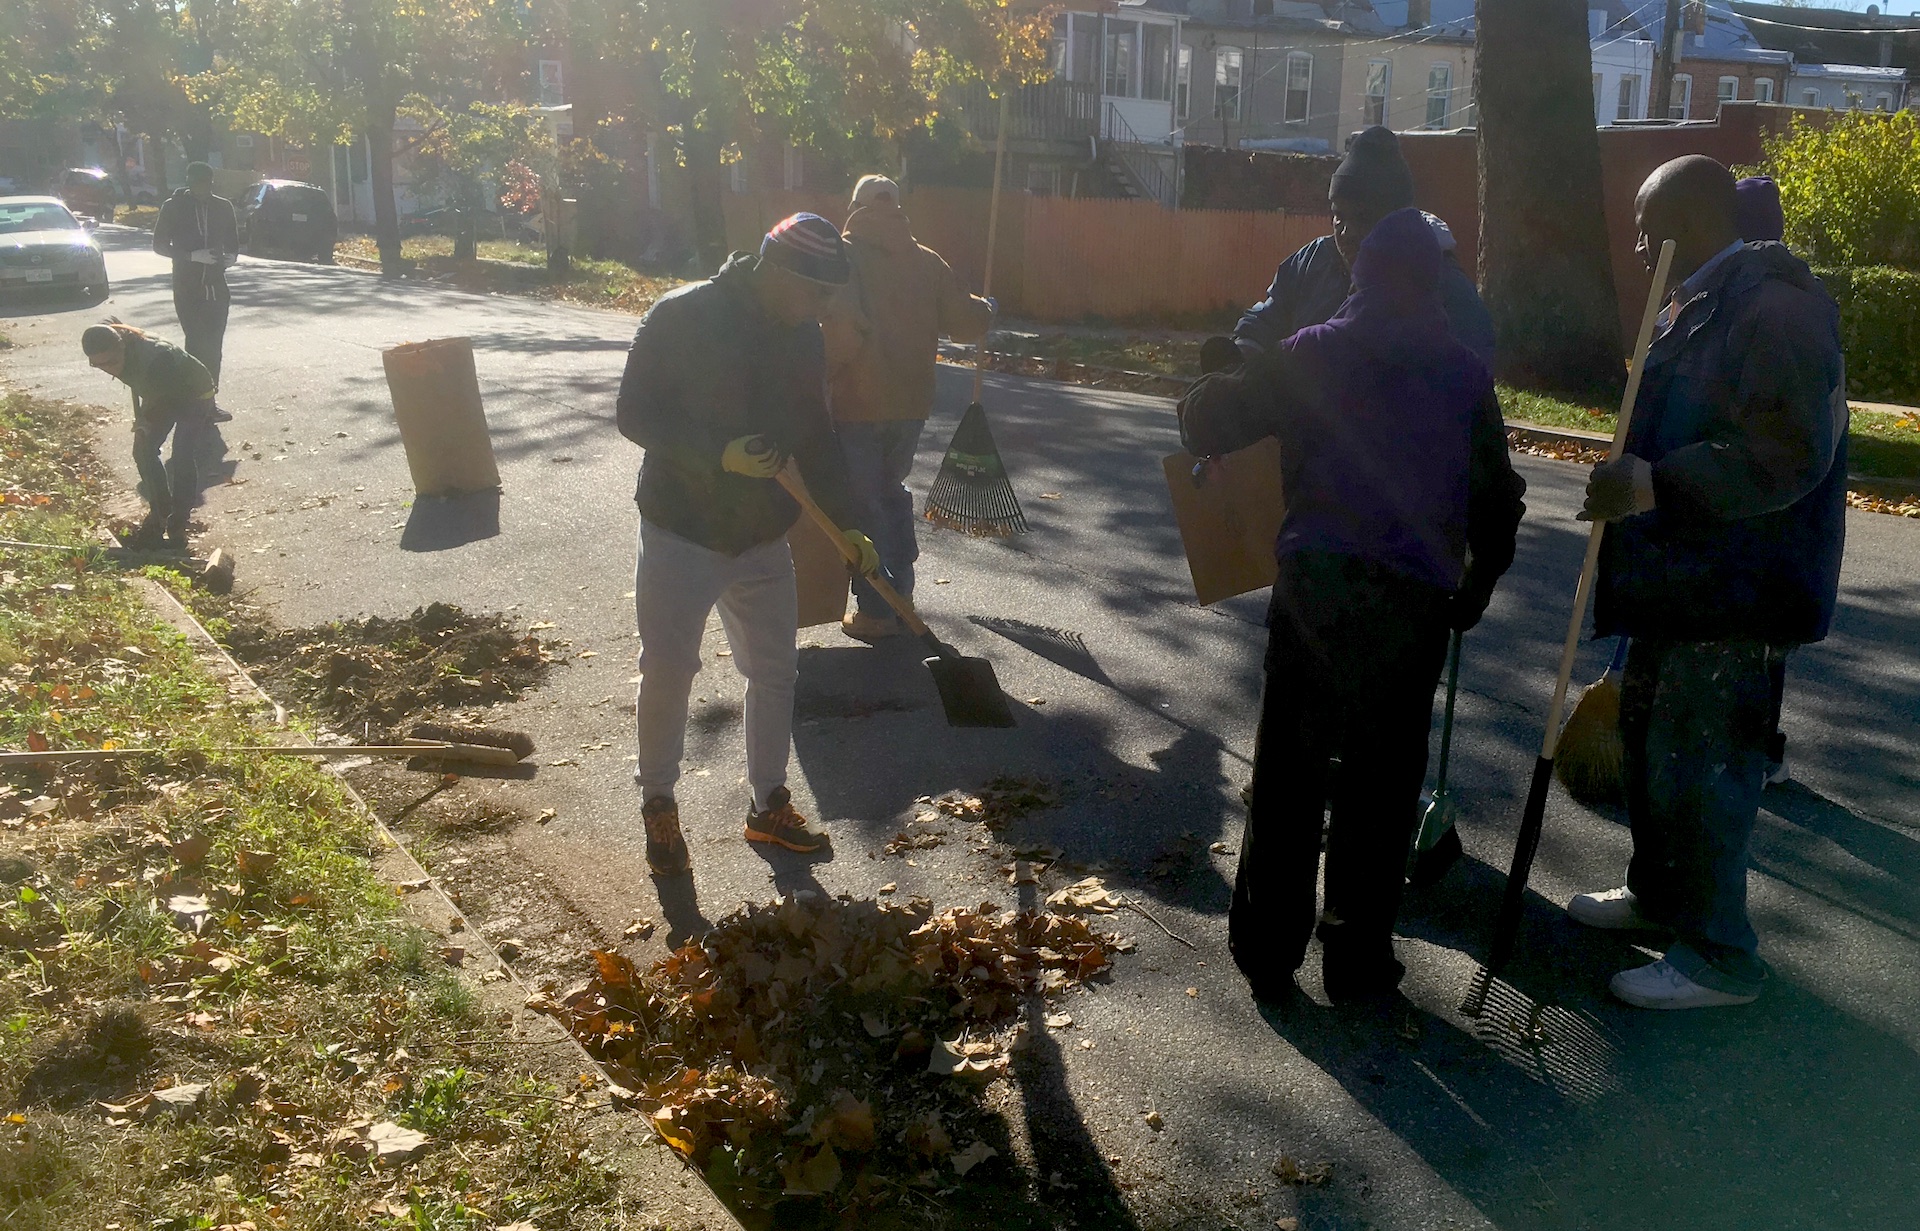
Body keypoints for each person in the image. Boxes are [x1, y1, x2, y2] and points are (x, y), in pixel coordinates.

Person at [1179, 208, 1527, 1004]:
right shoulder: (1464, 372)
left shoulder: (1312, 354)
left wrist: (1206, 385)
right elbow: (1498, 502)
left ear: (1361, 275)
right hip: (1411, 601)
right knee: (1381, 783)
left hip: (1316, 590)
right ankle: (1357, 959)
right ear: (1433, 281)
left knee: (1291, 773)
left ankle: (1269, 949)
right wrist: (1473, 588)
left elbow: (1211, 416)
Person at [1572, 156, 1846, 1010]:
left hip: (1737, 591)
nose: (1640, 242)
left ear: (1686, 225)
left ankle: (1719, 952)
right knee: (1659, 750)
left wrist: (1657, 483)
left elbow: (1789, 453)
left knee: (1707, 765)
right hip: (1680, 580)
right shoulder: (1702, 306)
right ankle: (1660, 894)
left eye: (1648, 225)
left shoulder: (1776, 309)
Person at [615, 213, 881, 875]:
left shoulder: (801, 338)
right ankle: (658, 802)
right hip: (682, 528)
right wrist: (717, 455)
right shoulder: (681, 316)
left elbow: (815, 433)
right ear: (778, 273)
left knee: (775, 671)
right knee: (670, 668)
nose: (823, 310)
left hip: (763, 533)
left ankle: (768, 805)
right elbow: (634, 413)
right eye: (817, 294)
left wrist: (850, 521)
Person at [822, 175, 994, 642]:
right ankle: (904, 596)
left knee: (865, 503)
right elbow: (965, 321)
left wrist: (818, 377)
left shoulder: (844, 255)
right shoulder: (926, 260)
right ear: (897, 208)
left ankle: (879, 609)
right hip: (911, 403)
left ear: (855, 205)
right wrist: (987, 308)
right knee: (891, 492)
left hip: (856, 401)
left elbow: (841, 326)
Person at [1231, 126, 1496, 368]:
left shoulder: (1445, 286)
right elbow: (1264, 320)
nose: (1346, 232)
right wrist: (1242, 354)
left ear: (1400, 220)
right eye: (1338, 216)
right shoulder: (1310, 262)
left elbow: (1469, 381)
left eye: (1364, 218)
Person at [81, 322, 215, 550]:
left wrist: (147, 421)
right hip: (160, 393)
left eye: (111, 362)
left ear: (122, 348)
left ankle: (179, 521)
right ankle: (160, 509)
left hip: (194, 394)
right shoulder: (114, 341)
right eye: (98, 364)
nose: (108, 369)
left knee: (182, 452)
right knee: (142, 450)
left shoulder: (157, 359)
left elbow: (164, 399)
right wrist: (145, 425)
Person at [152, 162, 238, 408]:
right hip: (187, 286)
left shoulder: (223, 207)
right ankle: (193, 399)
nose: (204, 191)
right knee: (197, 343)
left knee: (214, 345)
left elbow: (233, 241)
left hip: (216, 286)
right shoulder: (174, 207)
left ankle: (209, 400)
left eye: (208, 186)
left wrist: (231, 257)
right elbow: (159, 245)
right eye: (198, 186)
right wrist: (191, 256)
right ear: (189, 183)